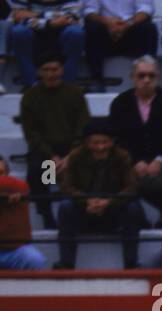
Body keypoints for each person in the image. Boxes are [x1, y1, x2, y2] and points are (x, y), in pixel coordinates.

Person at [55, 118, 145, 268]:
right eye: (95, 143)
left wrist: (109, 202)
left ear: (112, 142)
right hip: (84, 209)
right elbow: (66, 187)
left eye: (105, 142)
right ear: (87, 143)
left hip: (113, 210)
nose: (101, 147)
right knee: (65, 207)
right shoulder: (76, 156)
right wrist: (87, 201)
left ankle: (131, 263)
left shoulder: (122, 156)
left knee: (133, 208)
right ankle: (66, 263)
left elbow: (132, 187)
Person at [19, 54, 89, 229]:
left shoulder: (74, 94)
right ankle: (47, 215)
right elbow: (32, 133)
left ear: (62, 70)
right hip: (46, 150)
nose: (51, 74)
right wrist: (52, 157)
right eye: (46, 70)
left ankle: (79, 214)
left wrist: (70, 156)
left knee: (84, 168)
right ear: (39, 72)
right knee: (40, 172)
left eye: (54, 69)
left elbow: (83, 128)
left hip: (72, 148)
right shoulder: (30, 96)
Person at [107, 56, 162, 179]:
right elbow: (116, 137)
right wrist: (135, 161)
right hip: (129, 159)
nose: (146, 80)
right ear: (132, 77)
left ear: (158, 77)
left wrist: (160, 160)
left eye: (151, 76)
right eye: (141, 76)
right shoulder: (120, 103)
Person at [83, 0, 157, 92]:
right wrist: (107, 22)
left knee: (148, 29)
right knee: (92, 28)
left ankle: (147, 77)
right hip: (104, 29)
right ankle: (96, 79)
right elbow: (90, 10)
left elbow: (146, 8)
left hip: (131, 27)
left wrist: (128, 24)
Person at [7, 0, 87, 86]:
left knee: (75, 32)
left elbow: (70, 18)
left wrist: (34, 16)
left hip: (62, 34)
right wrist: (49, 22)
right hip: (32, 35)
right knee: (19, 31)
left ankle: (67, 84)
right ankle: (31, 85)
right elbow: (19, 16)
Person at [0, 154, 49, 270]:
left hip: (15, 250)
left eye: (0, 173)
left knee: (35, 260)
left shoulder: (18, 186)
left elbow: (22, 187)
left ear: (7, 174)